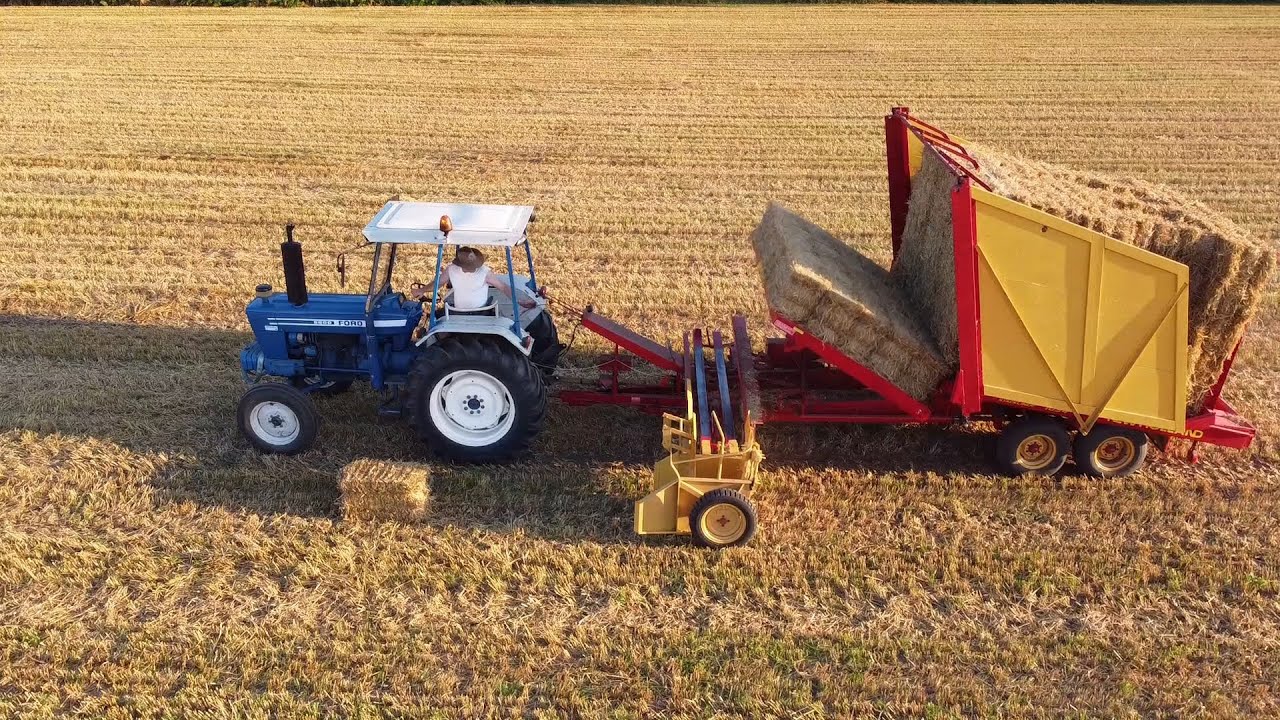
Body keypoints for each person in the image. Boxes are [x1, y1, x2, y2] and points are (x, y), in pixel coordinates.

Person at [412, 246, 534, 314]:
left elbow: (504, 288)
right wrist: (422, 290)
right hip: (466, 312)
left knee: (438, 315)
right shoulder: (453, 270)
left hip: (475, 313)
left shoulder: (483, 272)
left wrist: (519, 301)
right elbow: (438, 283)